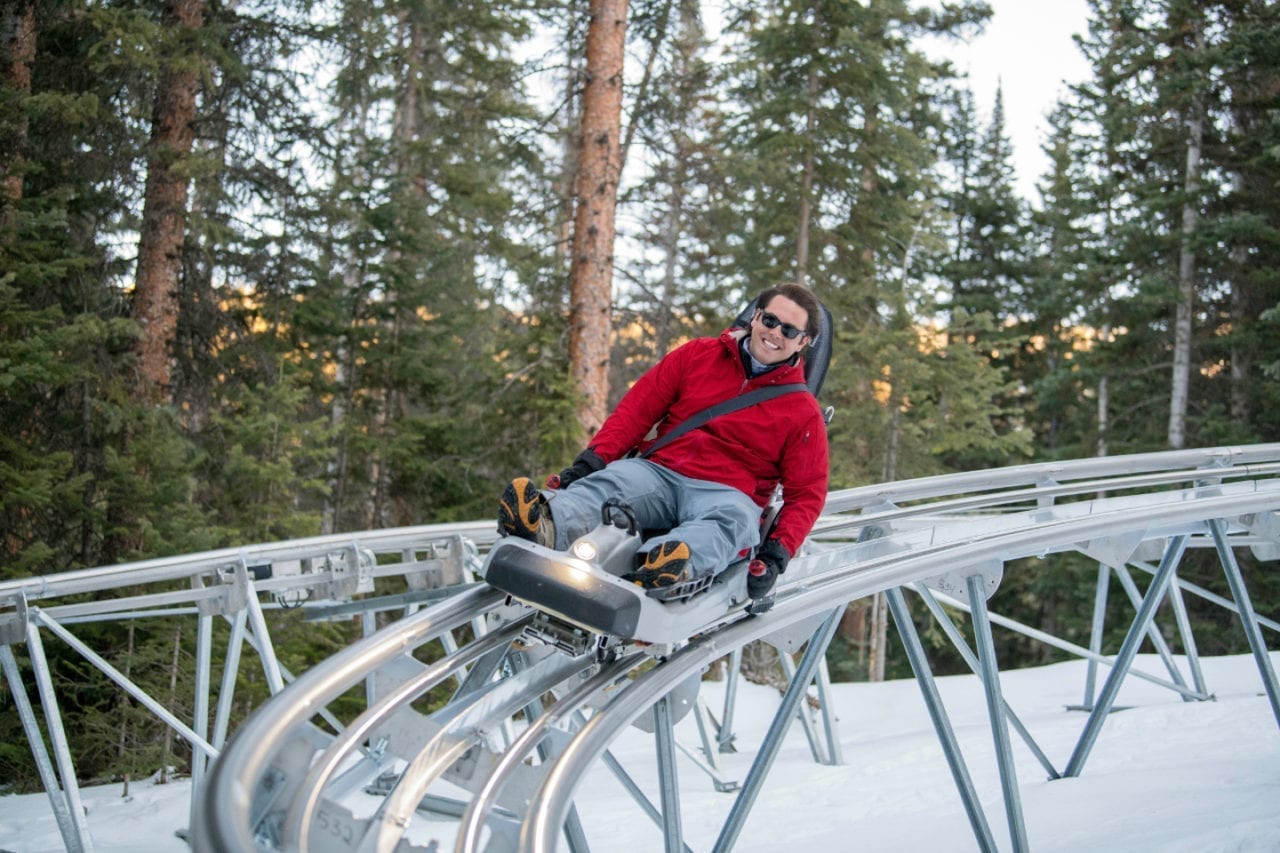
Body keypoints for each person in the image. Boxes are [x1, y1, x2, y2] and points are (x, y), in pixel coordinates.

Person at [498, 283, 830, 600]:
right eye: (770, 321)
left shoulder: (803, 413)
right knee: (613, 482)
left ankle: (669, 565)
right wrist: (592, 461)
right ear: (756, 317)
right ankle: (545, 522)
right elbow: (636, 411)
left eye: (788, 330)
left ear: (804, 342)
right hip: (661, 472)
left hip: (728, 494)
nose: (774, 334)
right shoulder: (698, 355)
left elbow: (807, 493)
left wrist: (777, 552)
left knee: (733, 523)